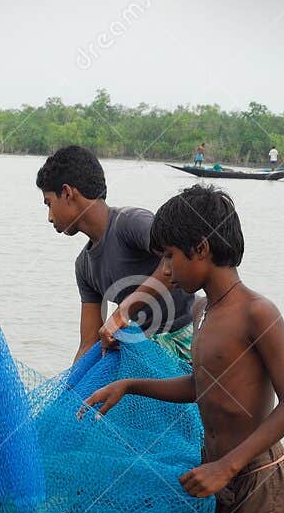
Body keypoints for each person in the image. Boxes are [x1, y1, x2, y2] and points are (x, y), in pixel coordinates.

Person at [78, 184, 284, 513]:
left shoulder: (257, 313)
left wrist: (229, 465)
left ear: (201, 249)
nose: (164, 271)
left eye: (170, 257)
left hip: (255, 479)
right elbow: (201, 388)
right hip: (213, 471)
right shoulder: (203, 312)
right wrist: (130, 384)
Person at [36, 144, 197, 363]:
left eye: (49, 203)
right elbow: (89, 342)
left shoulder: (131, 223)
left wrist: (123, 312)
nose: (49, 217)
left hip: (188, 339)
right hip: (146, 349)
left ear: (67, 193)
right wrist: (70, 390)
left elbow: (177, 259)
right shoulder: (84, 266)